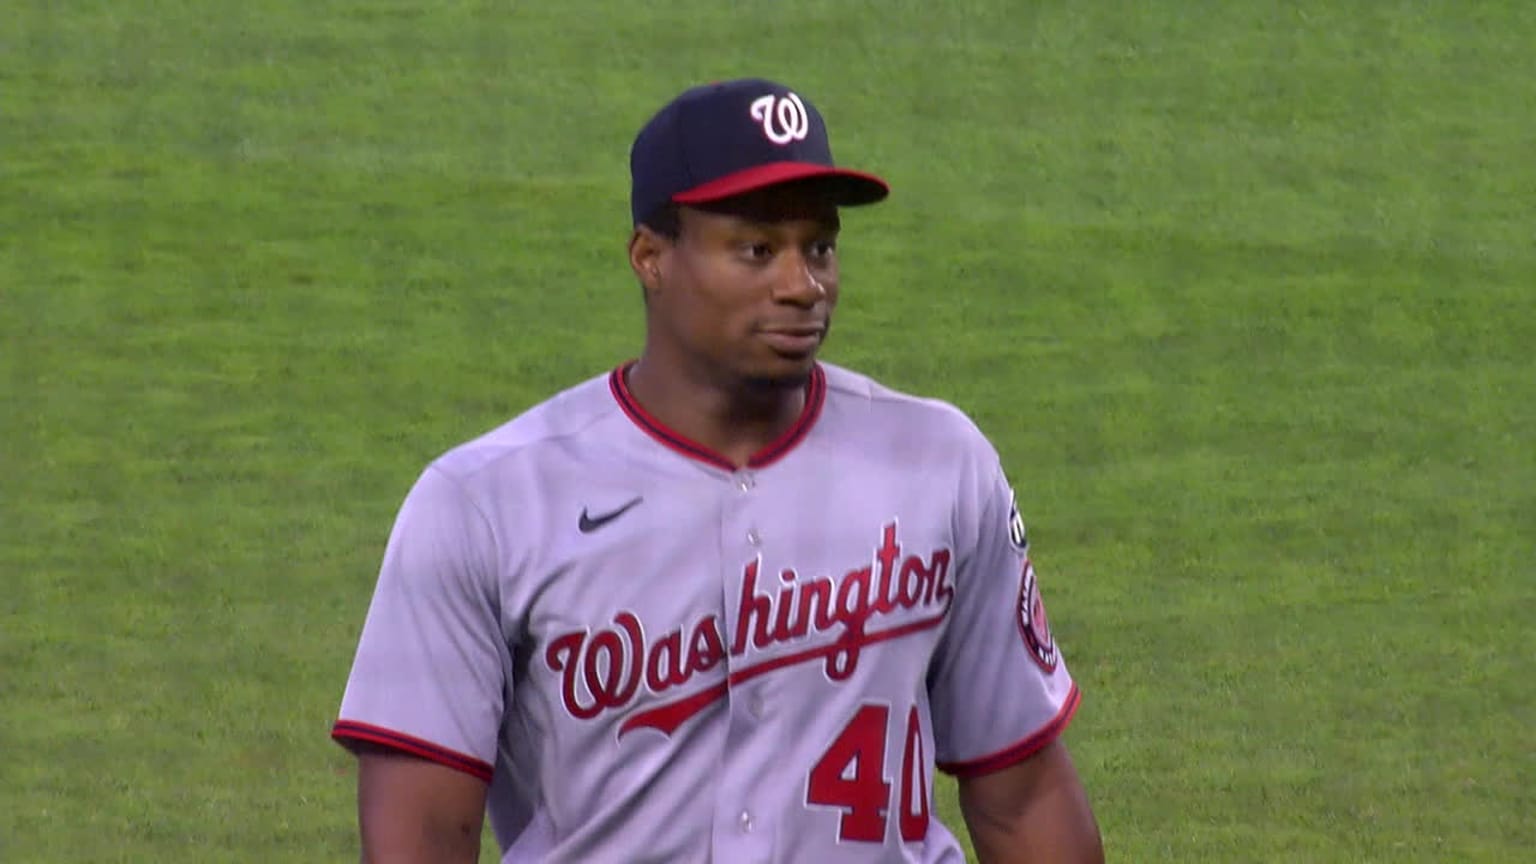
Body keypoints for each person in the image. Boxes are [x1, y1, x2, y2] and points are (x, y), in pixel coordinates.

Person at [332, 77, 1103, 864]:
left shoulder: (939, 463)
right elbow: (421, 833)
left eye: (821, 248)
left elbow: (1024, 796)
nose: (803, 286)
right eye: (757, 250)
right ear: (651, 258)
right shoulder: (486, 502)